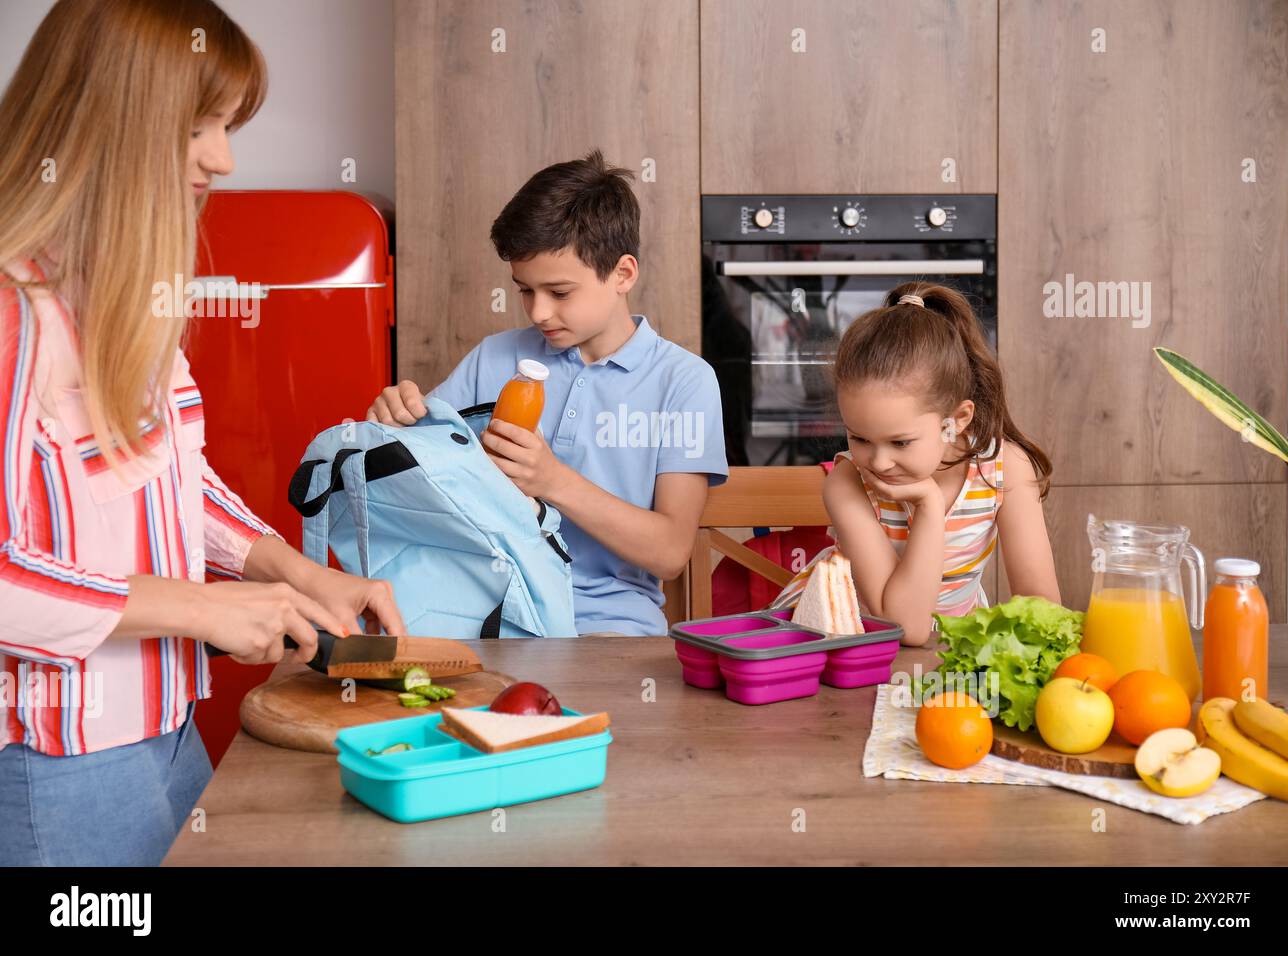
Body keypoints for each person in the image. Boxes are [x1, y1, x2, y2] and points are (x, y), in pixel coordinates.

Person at [0, 0, 403, 866]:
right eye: (200, 126)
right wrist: (200, 607)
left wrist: (289, 570)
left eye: (225, 126)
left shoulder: (111, 293)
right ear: (110, 117)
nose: (221, 159)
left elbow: (168, 479)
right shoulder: (8, 311)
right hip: (49, 758)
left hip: (168, 729)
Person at [369, 151, 729, 636]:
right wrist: (391, 424)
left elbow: (668, 553)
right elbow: (416, 475)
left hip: (607, 625)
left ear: (623, 274)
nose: (537, 312)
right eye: (524, 290)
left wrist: (553, 481)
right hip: (480, 611)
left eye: (559, 293)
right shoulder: (493, 358)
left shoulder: (683, 382)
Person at [771, 283, 1061, 645]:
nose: (878, 461)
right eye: (859, 438)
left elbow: (1041, 606)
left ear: (957, 419)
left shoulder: (1004, 468)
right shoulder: (847, 483)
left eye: (900, 442)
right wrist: (928, 505)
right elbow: (903, 627)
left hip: (948, 650)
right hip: (845, 644)